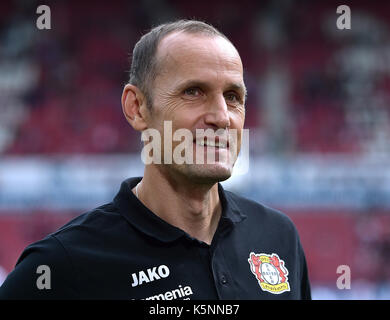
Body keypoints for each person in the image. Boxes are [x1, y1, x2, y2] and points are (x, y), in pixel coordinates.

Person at [0, 19, 311, 300]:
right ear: (136, 108)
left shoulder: (279, 236)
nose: (221, 117)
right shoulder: (62, 265)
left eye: (233, 97)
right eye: (193, 92)